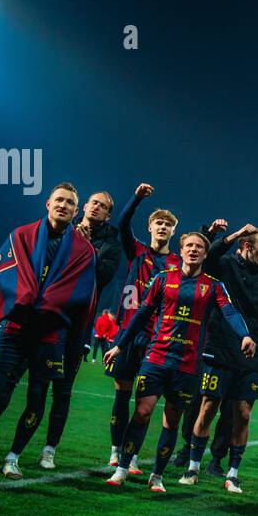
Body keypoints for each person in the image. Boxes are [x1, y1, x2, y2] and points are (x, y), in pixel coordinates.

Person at [0, 183, 97, 476]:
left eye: (69, 203)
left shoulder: (84, 251)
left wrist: (74, 344)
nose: (63, 206)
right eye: (59, 200)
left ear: (76, 212)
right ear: (48, 204)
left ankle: (13, 457)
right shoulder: (21, 235)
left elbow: (85, 300)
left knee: (37, 397)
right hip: (14, 327)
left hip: (51, 334)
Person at [103, 232, 253, 492]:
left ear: (205, 255)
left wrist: (245, 335)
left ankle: (157, 476)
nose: (194, 250)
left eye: (199, 247)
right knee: (141, 412)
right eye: (189, 246)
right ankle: (122, 468)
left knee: (171, 422)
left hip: (187, 365)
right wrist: (119, 345)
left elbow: (229, 311)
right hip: (157, 358)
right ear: (181, 251)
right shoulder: (162, 279)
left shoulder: (214, 286)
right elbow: (142, 314)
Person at [8, 187, 122, 474]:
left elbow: (102, 276)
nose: (95, 208)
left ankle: (49, 450)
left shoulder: (111, 244)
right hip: (40, 322)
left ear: (108, 215)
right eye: (92, 203)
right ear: (83, 206)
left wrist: (86, 249)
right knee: (13, 380)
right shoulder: (59, 232)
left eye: (102, 206)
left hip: (76, 327)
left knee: (62, 391)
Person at [175, 222, 258, 491]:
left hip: (250, 354)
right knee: (207, 407)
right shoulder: (226, 266)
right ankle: (192, 466)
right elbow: (209, 256)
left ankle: (232, 473)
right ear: (246, 246)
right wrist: (231, 235)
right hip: (219, 348)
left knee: (242, 414)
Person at [104, 183, 180, 472]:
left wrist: (210, 234)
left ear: (174, 231)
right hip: (127, 332)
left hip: (156, 338)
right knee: (122, 394)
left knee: (144, 401)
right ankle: (115, 450)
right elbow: (122, 222)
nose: (162, 227)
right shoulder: (136, 251)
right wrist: (136, 198)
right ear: (150, 227)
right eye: (158, 223)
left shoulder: (177, 263)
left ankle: (131, 453)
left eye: (168, 225)